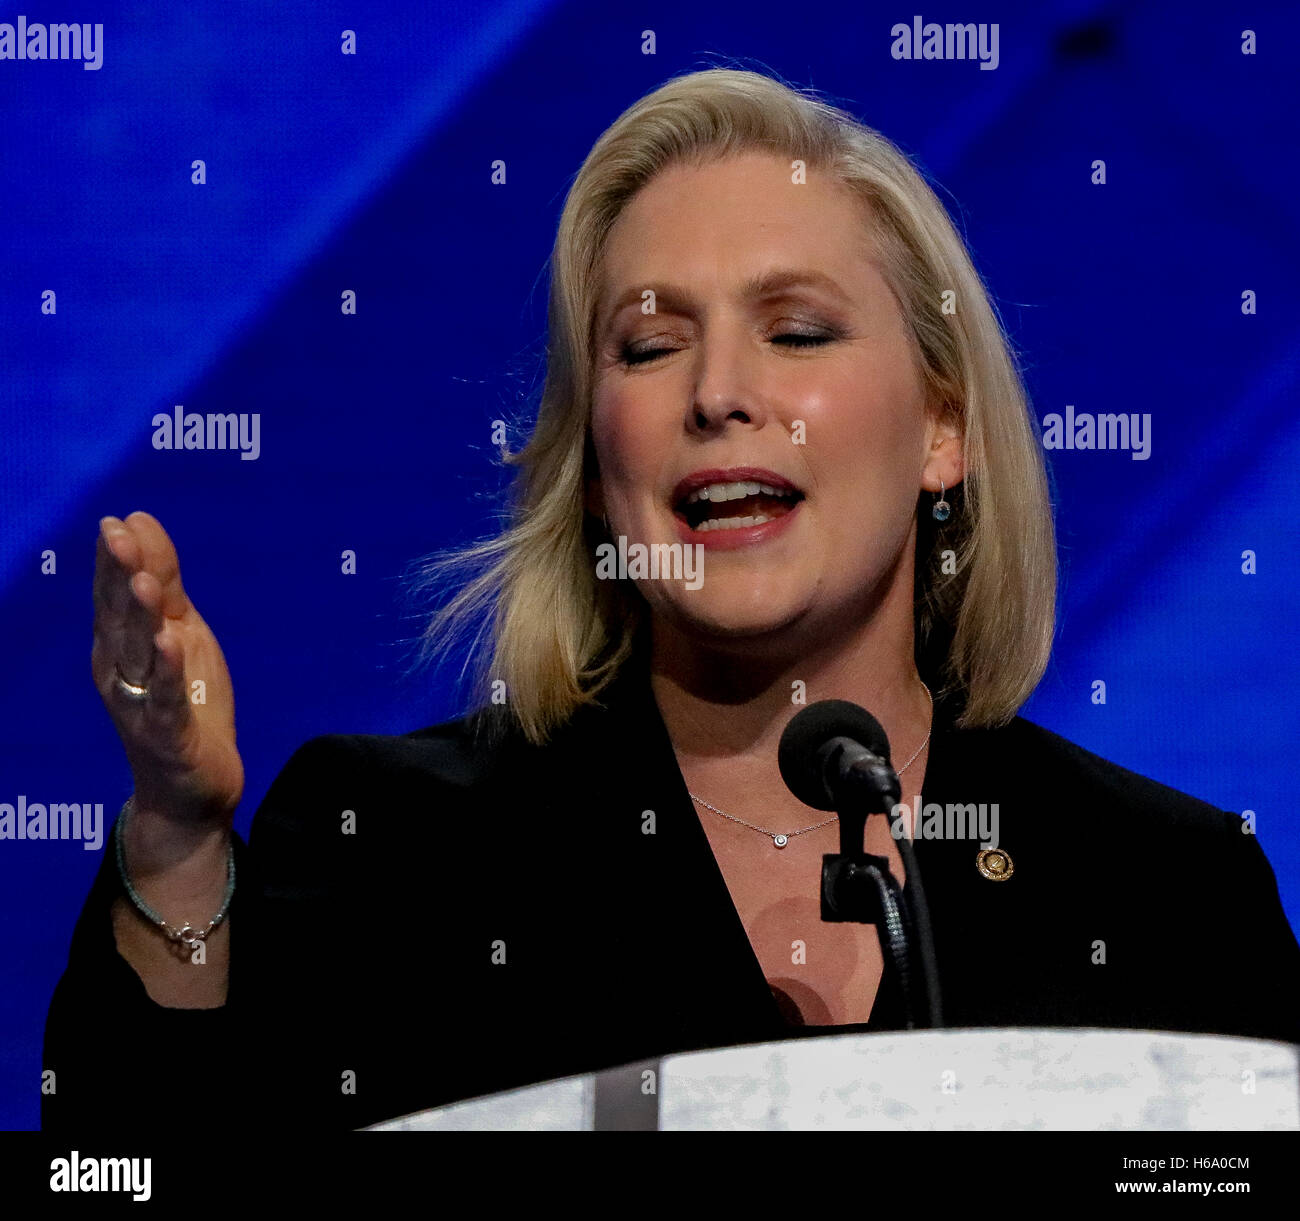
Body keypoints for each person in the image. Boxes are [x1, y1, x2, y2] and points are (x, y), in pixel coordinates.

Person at [44, 67, 1300, 1133]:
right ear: (595, 467)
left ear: (941, 427)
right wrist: (178, 839)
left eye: (797, 332)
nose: (717, 393)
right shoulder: (396, 850)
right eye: (647, 347)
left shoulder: (1166, 897)